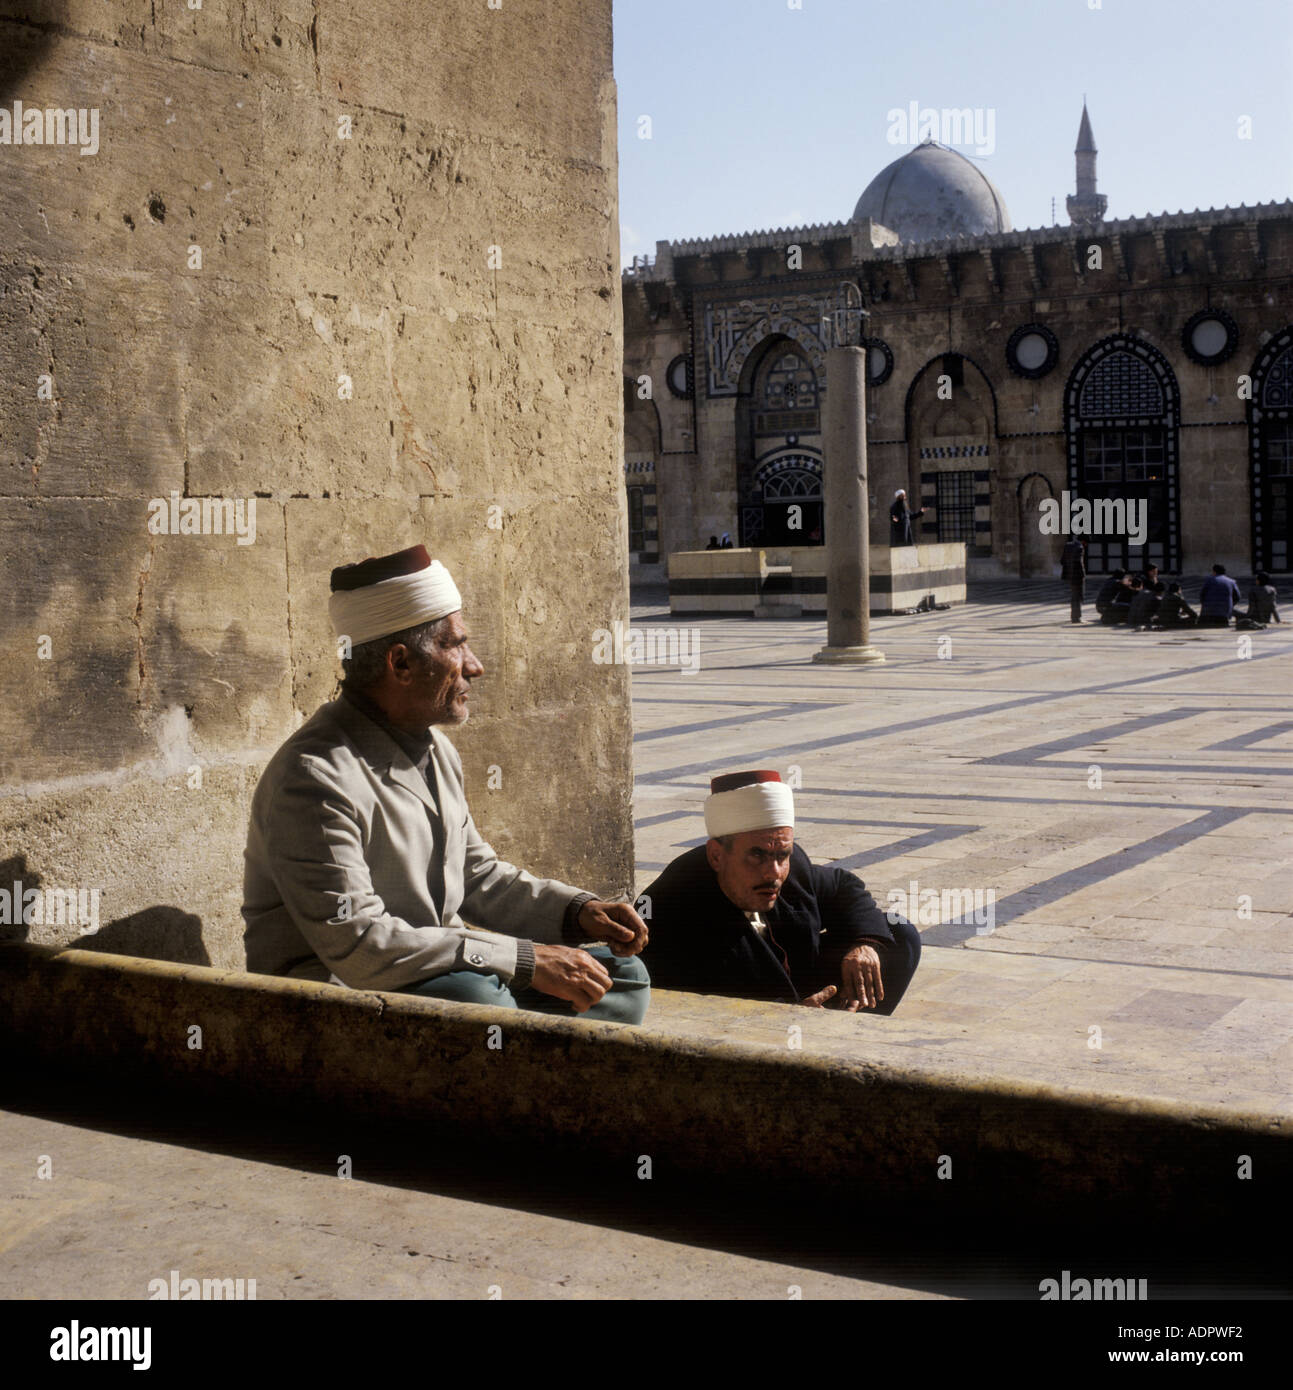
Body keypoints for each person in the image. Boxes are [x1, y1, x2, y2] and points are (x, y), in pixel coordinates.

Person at [242, 544, 650, 1023]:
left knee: (622, 979)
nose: (474, 665)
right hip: (339, 995)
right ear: (401, 665)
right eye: (455, 645)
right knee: (480, 1003)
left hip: (443, 974)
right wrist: (522, 959)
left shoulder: (435, 749)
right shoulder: (314, 779)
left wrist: (576, 912)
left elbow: (476, 874)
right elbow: (359, 945)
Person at [639, 771, 921, 1015]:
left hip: (801, 993)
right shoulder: (670, 905)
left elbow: (844, 887)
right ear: (716, 856)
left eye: (781, 855)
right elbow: (689, 1011)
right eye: (757, 855)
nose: (773, 872)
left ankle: (848, 1037)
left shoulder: (793, 865)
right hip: (743, 1022)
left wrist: (864, 946)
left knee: (899, 936)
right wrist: (785, 1019)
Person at [1060, 535, 1086, 623]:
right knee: (1078, 597)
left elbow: (1062, 561)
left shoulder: (1068, 546)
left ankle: (1074, 616)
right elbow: (1078, 562)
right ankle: (1076, 618)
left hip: (1070, 576)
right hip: (1077, 576)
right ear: (1084, 541)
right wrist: (1083, 575)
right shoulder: (1080, 547)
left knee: (1074, 596)